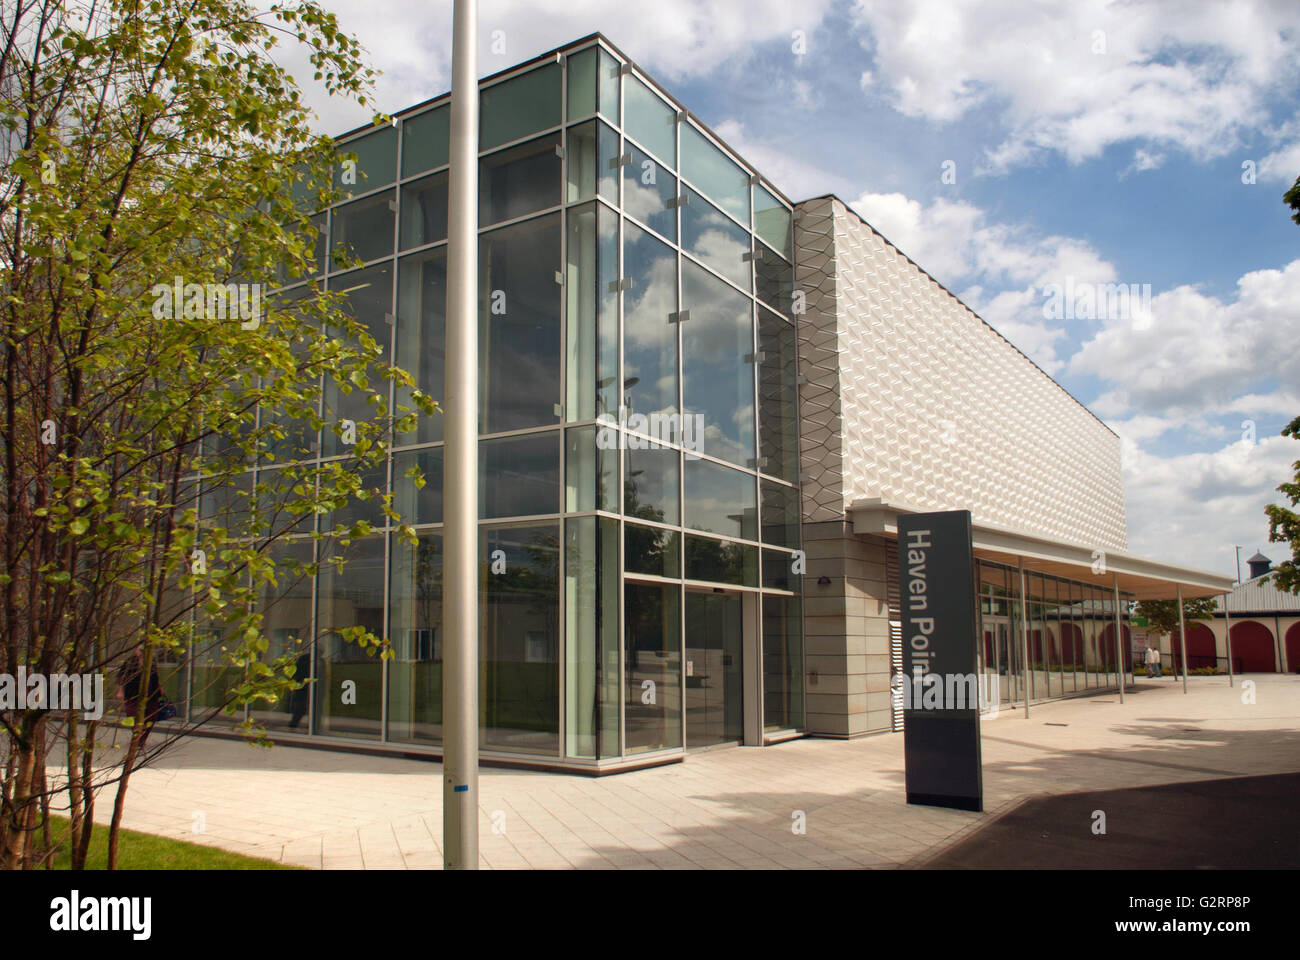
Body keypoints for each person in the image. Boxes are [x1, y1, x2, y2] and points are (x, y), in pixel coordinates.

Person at [116, 646, 167, 751]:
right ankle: (137, 736)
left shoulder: (151, 661)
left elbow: (155, 675)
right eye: (140, 650)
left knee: (152, 716)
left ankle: (142, 739)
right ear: (135, 651)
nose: (142, 652)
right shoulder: (130, 662)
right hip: (133, 693)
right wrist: (120, 691)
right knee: (133, 715)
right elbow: (121, 677)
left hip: (151, 693)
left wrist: (160, 688)